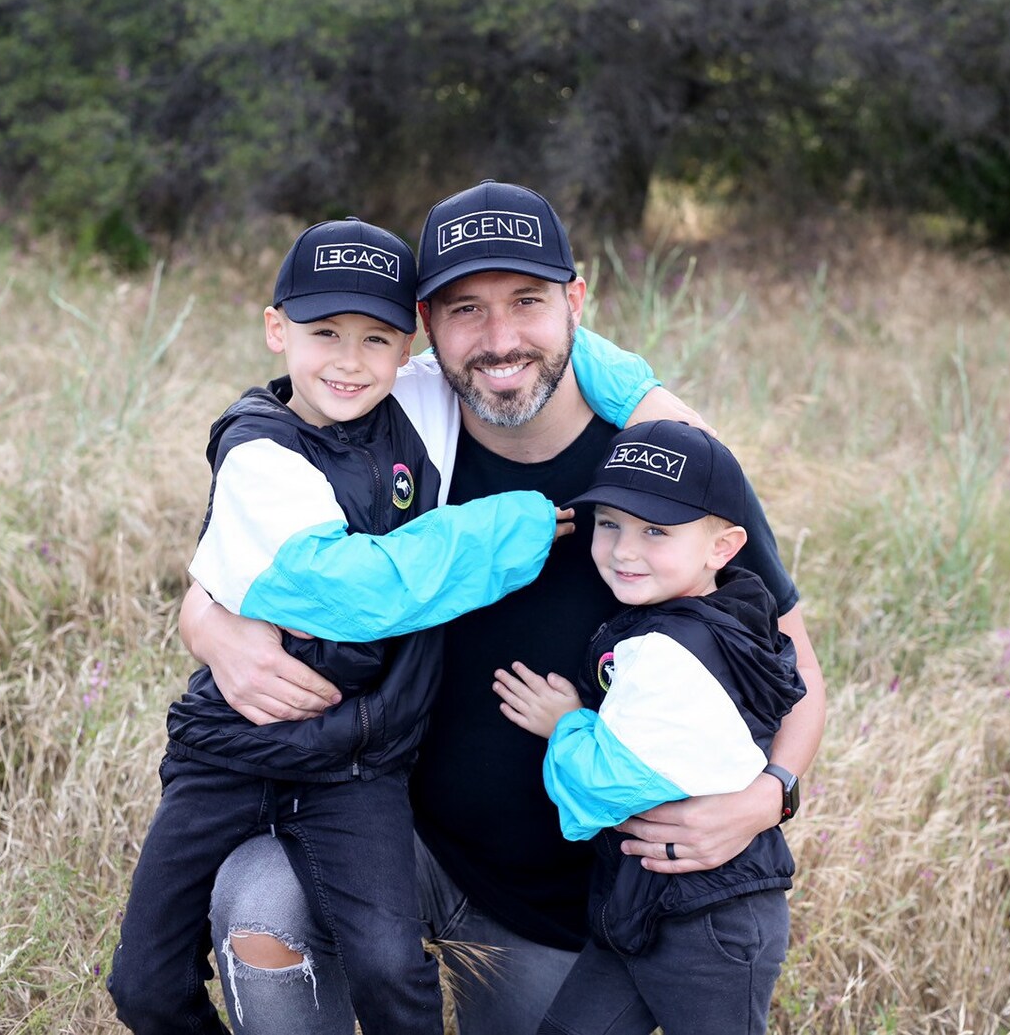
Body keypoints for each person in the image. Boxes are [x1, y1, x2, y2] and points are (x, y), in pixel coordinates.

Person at [178, 180, 827, 1035]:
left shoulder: (669, 470)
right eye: (464, 310)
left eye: (527, 302)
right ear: (423, 325)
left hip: (559, 906)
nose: (500, 340)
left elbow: (798, 671)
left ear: (575, 303)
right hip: (389, 840)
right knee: (260, 903)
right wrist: (208, 623)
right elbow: (250, 556)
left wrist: (766, 796)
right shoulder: (391, 429)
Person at [107, 216, 670, 1034]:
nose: (349, 359)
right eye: (325, 332)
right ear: (276, 330)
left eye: (377, 337)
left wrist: (657, 402)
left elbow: (536, 340)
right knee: (145, 984)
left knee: (389, 967)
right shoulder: (260, 449)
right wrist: (499, 530)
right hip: (233, 753)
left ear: (408, 343)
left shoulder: (419, 398)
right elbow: (345, 586)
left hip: (363, 771)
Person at [493, 419, 805, 1034]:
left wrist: (567, 726)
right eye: (608, 524)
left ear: (723, 545)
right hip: (645, 900)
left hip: (709, 917)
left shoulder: (671, 650)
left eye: (656, 531)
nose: (624, 549)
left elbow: (604, 788)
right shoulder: (727, 610)